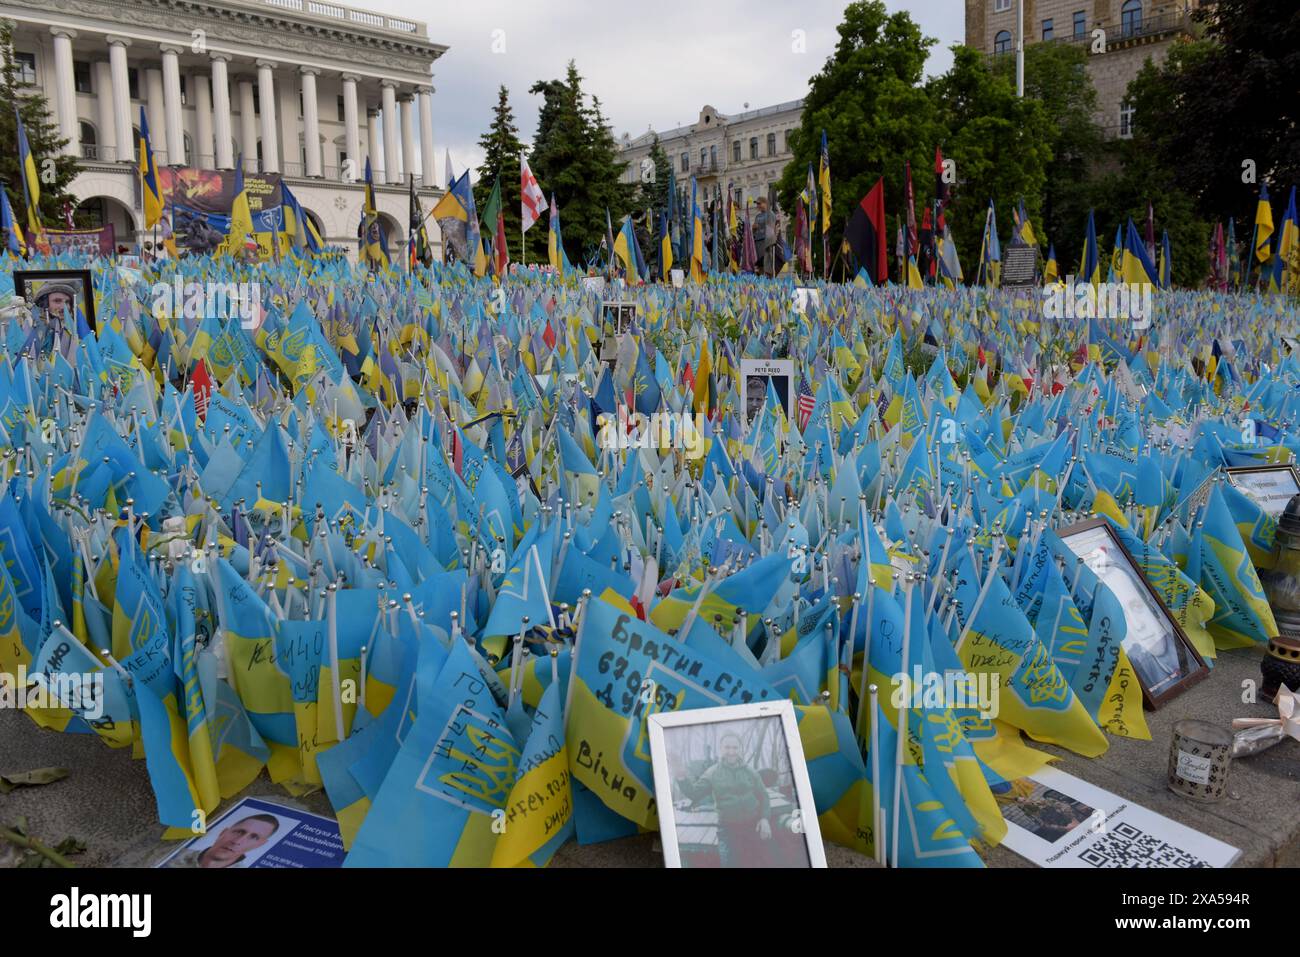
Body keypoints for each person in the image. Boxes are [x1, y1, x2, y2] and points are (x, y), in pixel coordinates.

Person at [675, 732, 772, 867]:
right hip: (728, 830)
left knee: (756, 863)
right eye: (727, 747)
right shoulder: (712, 773)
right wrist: (681, 777)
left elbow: (764, 796)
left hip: (752, 826)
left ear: (740, 749)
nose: (731, 752)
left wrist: (764, 818)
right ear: (721, 749)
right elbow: (694, 793)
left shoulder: (750, 771)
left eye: (735, 747)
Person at [164, 814, 280, 868]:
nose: (238, 841)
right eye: (239, 832)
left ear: (259, 844)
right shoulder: (175, 855)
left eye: (254, 837)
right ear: (224, 832)